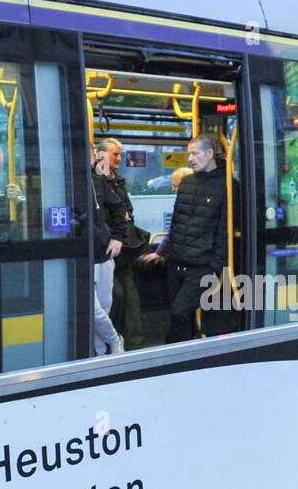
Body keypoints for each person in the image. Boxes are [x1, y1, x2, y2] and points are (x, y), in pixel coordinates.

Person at [142, 136, 227, 344]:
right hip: (177, 262)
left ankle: (172, 354)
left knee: (179, 311)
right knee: (179, 314)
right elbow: (176, 223)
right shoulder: (187, 183)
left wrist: (215, 266)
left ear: (209, 154)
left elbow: (224, 231)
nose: (190, 158)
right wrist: (161, 252)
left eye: (195, 153)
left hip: (201, 266)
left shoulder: (227, 185)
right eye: (189, 153)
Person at [94, 138, 146, 350]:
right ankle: (110, 340)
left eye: (120, 154)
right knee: (115, 296)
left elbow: (127, 212)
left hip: (122, 249)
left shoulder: (119, 181)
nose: (119, 159)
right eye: (115, 154)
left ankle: (135, 344)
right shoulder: (94, 179)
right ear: (101, 154)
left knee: (131, 298)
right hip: (104, 249)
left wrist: (123, 218)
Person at [90, 150, 126, 356]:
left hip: (103, 254)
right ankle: (115, 339)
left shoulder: (98, 182)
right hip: (81, 257)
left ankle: (101, 354)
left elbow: (119, 208)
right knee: (95, 312)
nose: (93, 156)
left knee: (104, 309)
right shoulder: (64, 182)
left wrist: (118, 237)